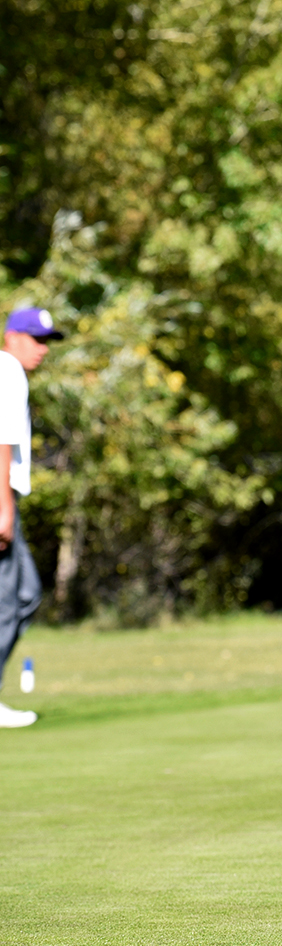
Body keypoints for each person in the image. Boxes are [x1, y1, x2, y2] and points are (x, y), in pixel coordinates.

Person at [0, 307, 60, 729]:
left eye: (47, 342)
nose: (42, 349)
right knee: (17, 597)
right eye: (36, 339)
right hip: (0, 501)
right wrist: (3, 507)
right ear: (12, 336)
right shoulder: (8, 371)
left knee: (20, 595)